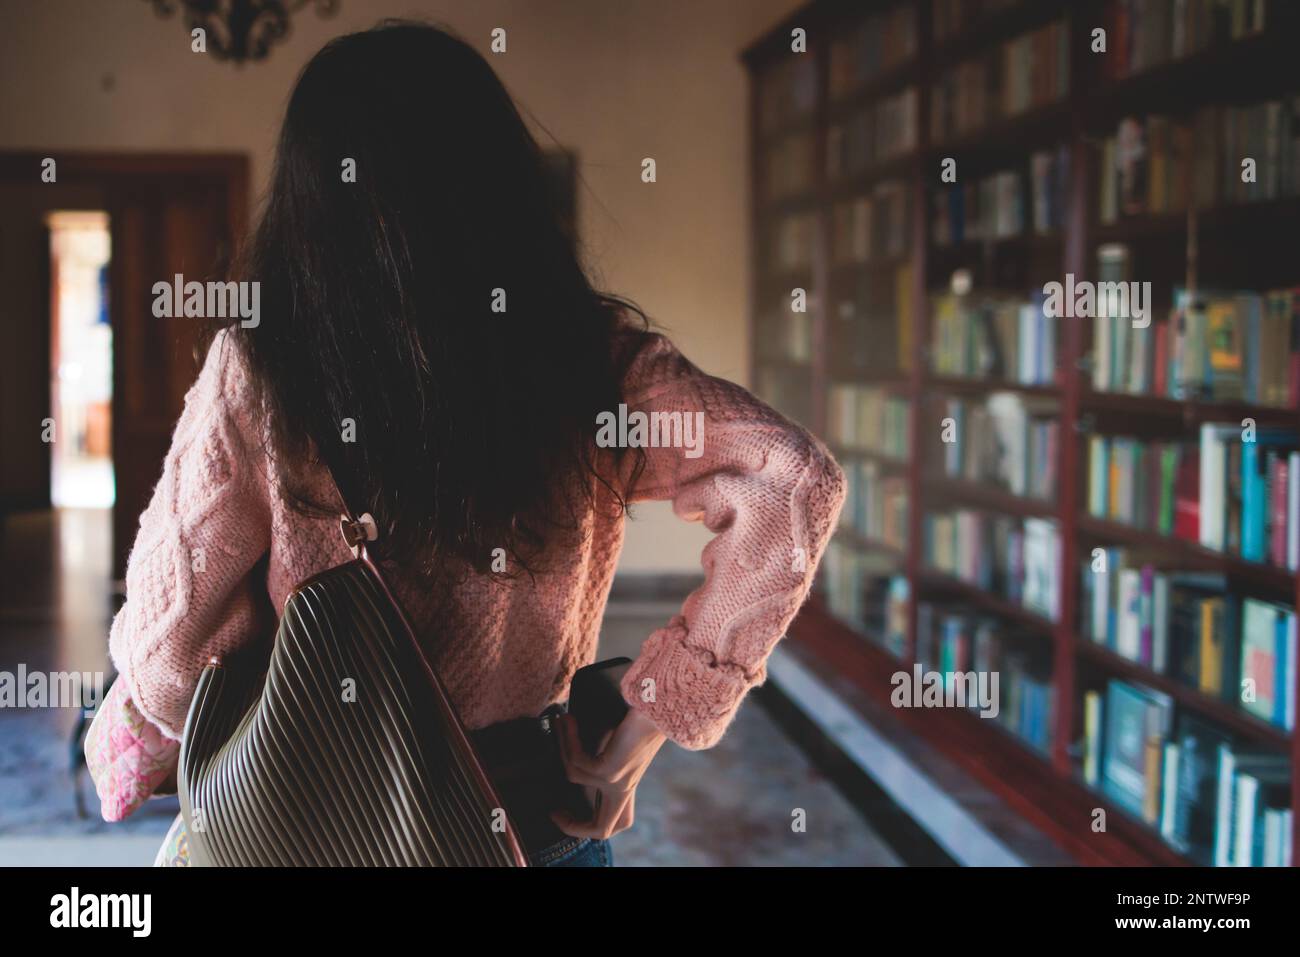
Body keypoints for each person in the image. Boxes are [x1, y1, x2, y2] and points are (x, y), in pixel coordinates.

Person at [85, 20, 845, 867]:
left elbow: (171, 662)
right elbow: (792, 481)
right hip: (530, 816)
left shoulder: (264, 369)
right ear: (501, 182)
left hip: (324, 822)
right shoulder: (595, 359)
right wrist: (658, 712)